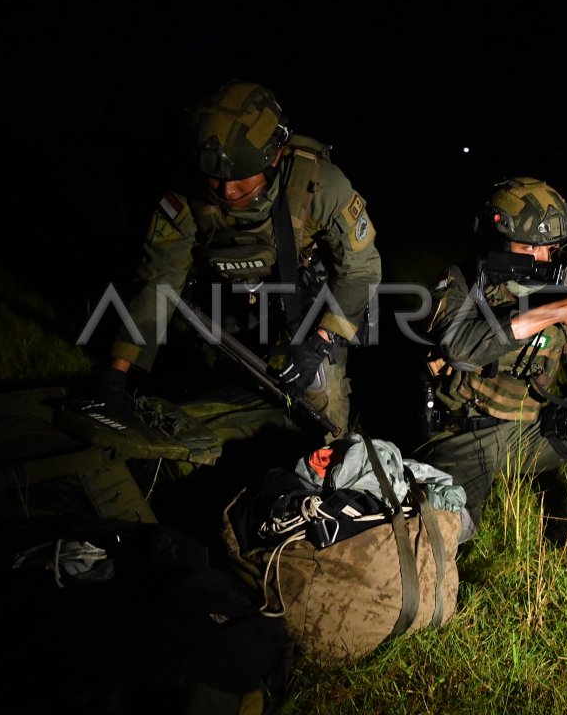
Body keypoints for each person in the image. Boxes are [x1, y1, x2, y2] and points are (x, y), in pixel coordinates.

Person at [81, 79, 381, 463]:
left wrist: (320, 341)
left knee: (321, 399)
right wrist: (116, 372)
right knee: (238, 393)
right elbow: (158, 281)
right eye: (215, 180)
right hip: (233, 302)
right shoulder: (186, 196)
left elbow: (362, 271)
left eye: (241, 180)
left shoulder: (318, 185)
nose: (226, 191)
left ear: (274, 157)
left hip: (308, 301)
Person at [410, 177, 567, 548]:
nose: (541, 260)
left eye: (550, 249)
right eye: (527, 247)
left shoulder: (559, 286)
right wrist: (557, 310)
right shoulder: (460, 281)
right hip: (464, 435)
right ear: (497, 239)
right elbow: (459, 347)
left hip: (530, 434)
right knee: (451, 543)